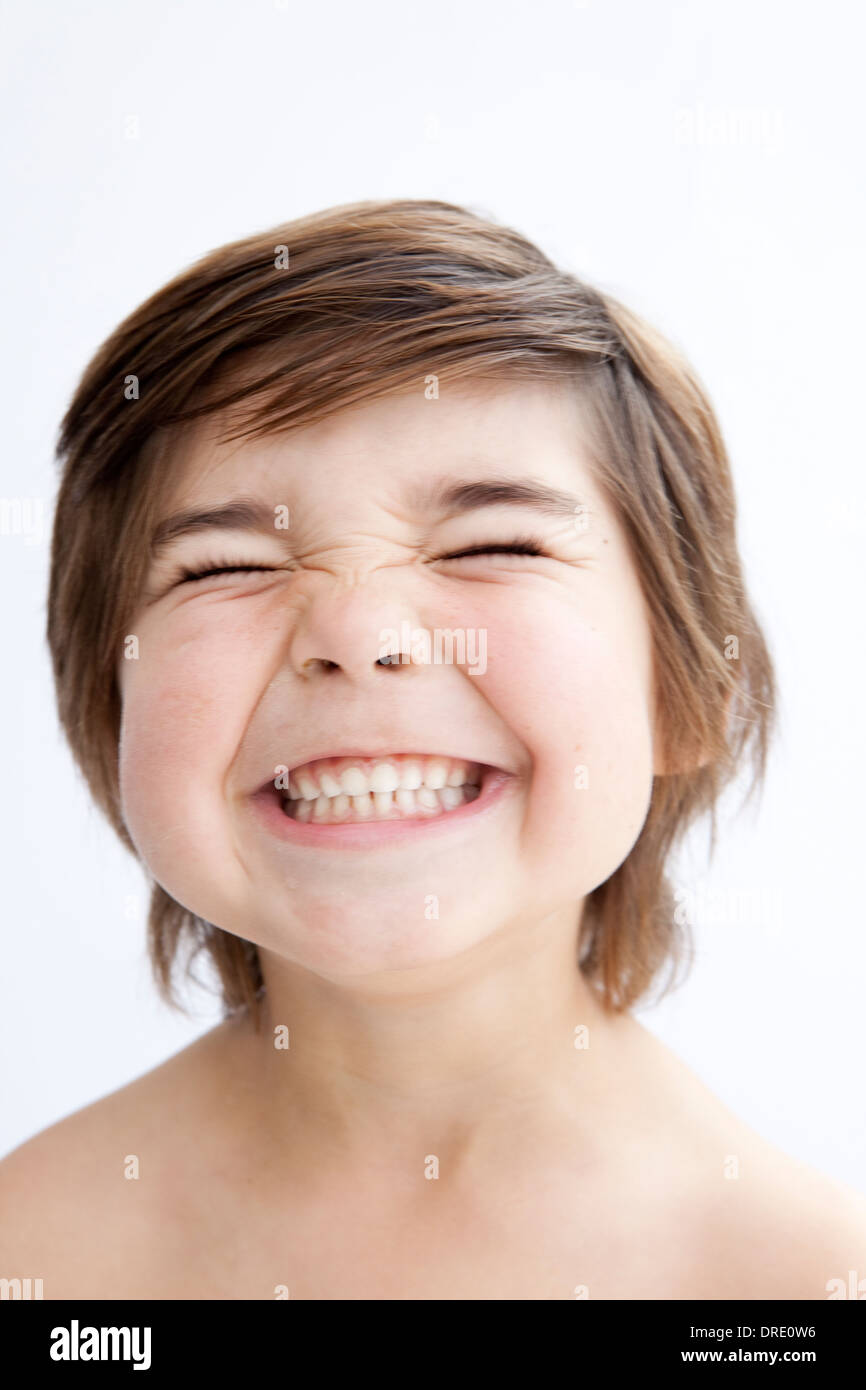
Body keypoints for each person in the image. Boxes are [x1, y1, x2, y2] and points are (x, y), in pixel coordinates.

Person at [2, 199, 863, 1299]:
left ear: (683, 692)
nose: (359, 636)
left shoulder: (794, 1287)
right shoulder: (30, 1260)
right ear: (110, 710)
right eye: (225, 566)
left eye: (491, 543)